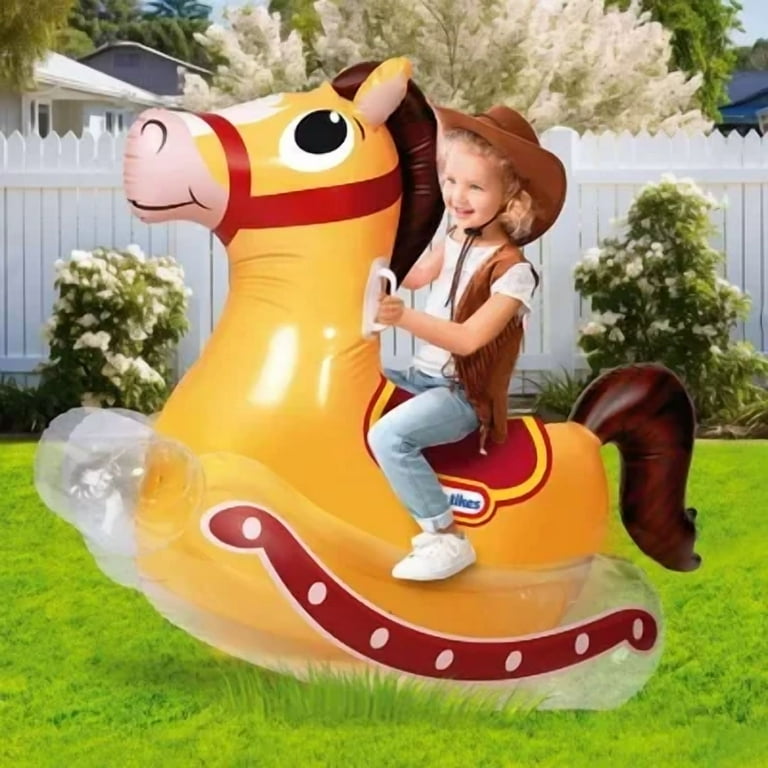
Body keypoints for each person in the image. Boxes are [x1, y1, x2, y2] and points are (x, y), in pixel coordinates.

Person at [367, 104, 567, 582]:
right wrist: (373, 252)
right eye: (451, 180)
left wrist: (402, 316)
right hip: (420, 377)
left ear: (511, 195)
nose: (457, 196)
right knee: (352, 389)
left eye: (475, 186)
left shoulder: (514, 273)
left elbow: (468, 339)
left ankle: (446, 537)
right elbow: (416, 276)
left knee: (389, 436)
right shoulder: (455, 234)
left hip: (462, 396)